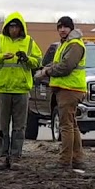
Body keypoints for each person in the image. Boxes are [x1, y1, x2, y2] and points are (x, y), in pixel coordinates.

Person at [0, 12, 42, 170]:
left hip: (21, 90)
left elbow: (38, 61)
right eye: (11, 26)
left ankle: (16, 156)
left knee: (19, 127)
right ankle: (2, 156)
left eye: (16, 26)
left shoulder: (29, 42)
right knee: (2, 126)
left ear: (21, 27)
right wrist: (1, 57)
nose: (13, 29)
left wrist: (27, 59)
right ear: (7, 27)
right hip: (3, 89)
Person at [34, 17, 87, 172]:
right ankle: (77, 159)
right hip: (67, 89)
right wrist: (44, 68)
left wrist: (46, 72)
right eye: (59, 27)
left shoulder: (75, 45)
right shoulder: (66, 44)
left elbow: (66, 67)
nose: (62, 29)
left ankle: (65, 161)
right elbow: (59, 63)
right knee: (72, 125)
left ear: (71, 28)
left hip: (69, 89)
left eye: (65, 27)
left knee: (66, 126)